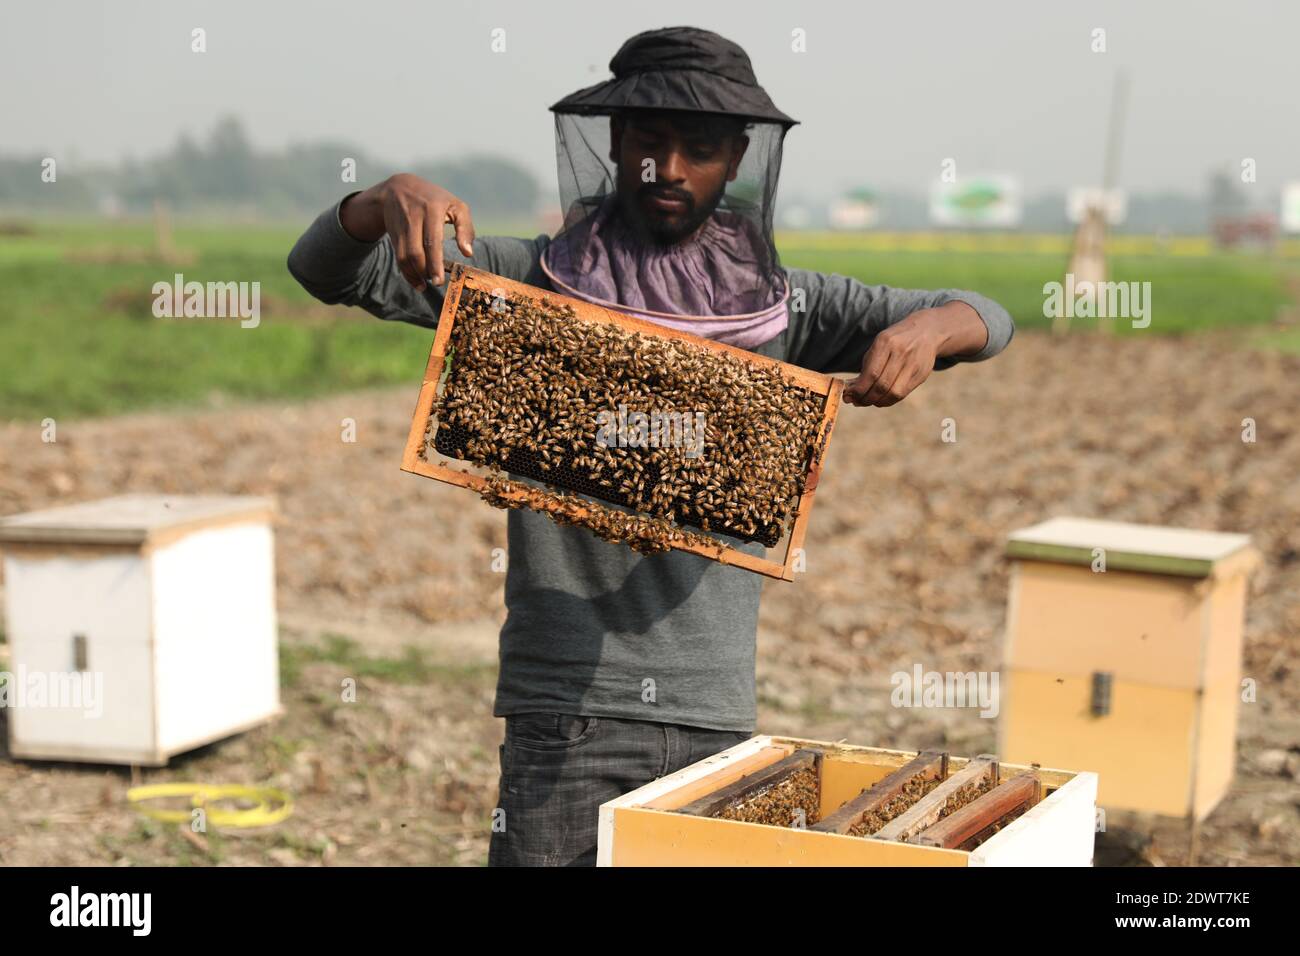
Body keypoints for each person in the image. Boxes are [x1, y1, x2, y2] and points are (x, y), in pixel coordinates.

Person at [287, 26, 1014, 866]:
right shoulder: (528, 281)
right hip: (567, 708)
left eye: (699, 149)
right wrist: (377, 201)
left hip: (716, 709)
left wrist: (929, 327)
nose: (669, 169)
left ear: (738, 158)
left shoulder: (790, 308)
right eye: (649, 144)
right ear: (614, 144)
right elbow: (328, 271)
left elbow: (987, 317)